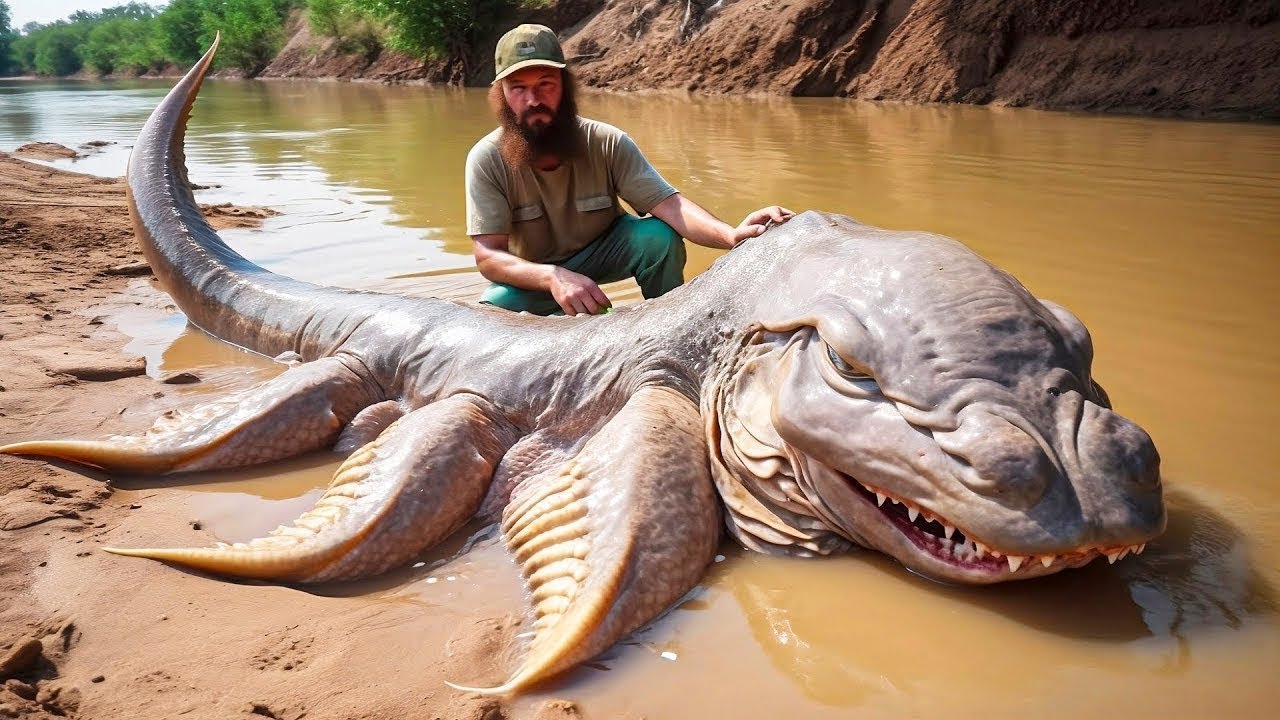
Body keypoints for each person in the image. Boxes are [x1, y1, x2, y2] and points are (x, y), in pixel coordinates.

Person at [465, 24, 794, 316]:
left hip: (607, 253)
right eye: (518, 87)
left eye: (545, 84)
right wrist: (553, 276)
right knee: (494, 311)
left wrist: (732, 235)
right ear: (502, 95)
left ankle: (668, 323)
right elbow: (489, 256)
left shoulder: (607, 142)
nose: (533, 99)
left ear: (564, 86)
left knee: (658, 236)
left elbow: (670, 206)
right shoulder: (486, 159)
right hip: (538, 276)